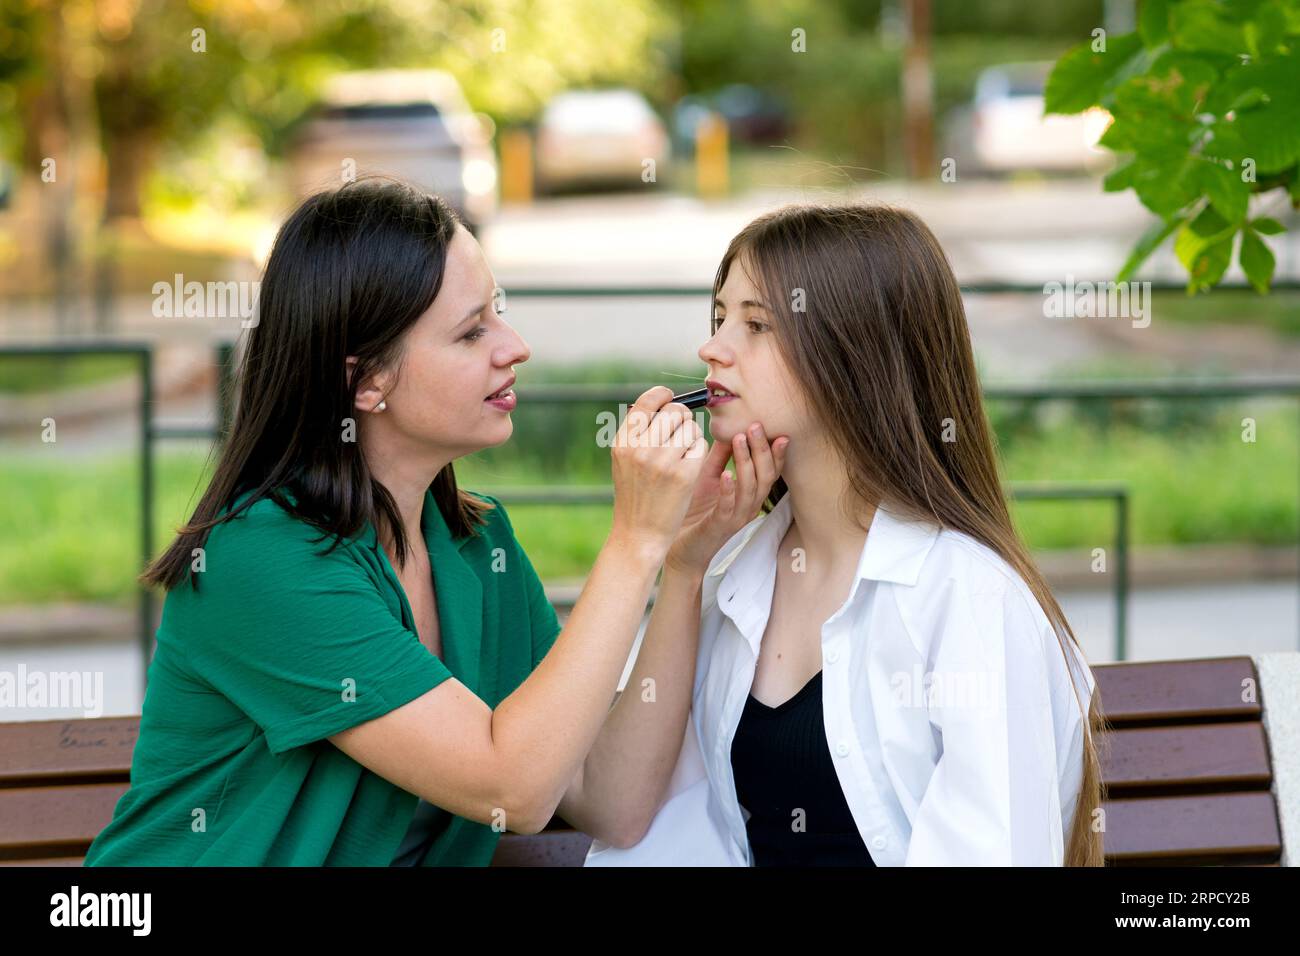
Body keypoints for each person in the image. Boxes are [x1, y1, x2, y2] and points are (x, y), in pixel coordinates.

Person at [83, 177, 784, 866]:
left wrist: (681, 564)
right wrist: (633, 541)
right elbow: (514, 786)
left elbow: (612, 799)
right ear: (366, 381)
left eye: (498, 313)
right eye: (472, 331)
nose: (514, 347)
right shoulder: (258, 560)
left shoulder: (477, 549)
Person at [585, 202, 1110, 867]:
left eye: (756, 324)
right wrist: (681, 567)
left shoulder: (971, 601)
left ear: (854, 354)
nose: (712, 348)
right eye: (720, 318)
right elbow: (625, 815)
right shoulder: (734, 577)